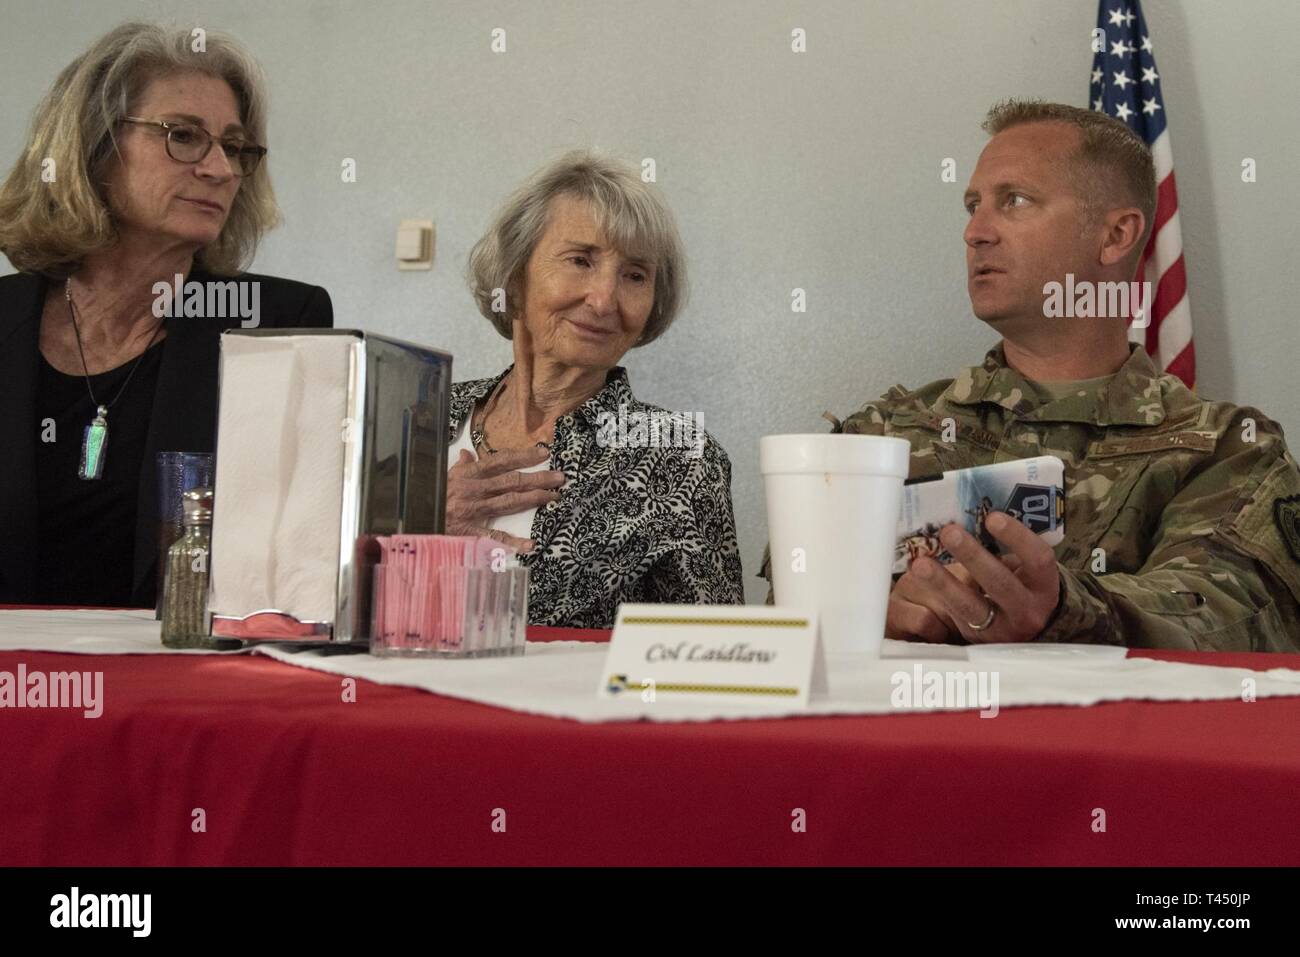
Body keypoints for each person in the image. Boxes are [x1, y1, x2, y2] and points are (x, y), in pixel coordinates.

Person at [763, 100, 1300, 652]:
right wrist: (872, 617)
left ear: (1116, 235)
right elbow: (789, 625)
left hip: (1114, 738)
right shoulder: (880, 438)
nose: (975, 231)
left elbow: (1229, 619)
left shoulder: (1227, 450)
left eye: (1014, 201)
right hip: (911, 736)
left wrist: (1064, 612)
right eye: (973, 205)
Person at [0, 22, 333, 607]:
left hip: (179, 679)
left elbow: (305, 543)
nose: (220, 169)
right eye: (183, 136)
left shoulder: (273, 322)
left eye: (233, 146)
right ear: (93, 147)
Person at [446, 151, 744, 628]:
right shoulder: (420, 418)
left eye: (635, 275)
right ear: (514, 275)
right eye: (581, 260)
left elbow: (709, 661)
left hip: (570, 703)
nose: (605, 300)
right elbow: (316, 596)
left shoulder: (681, 456)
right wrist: (412, 530)